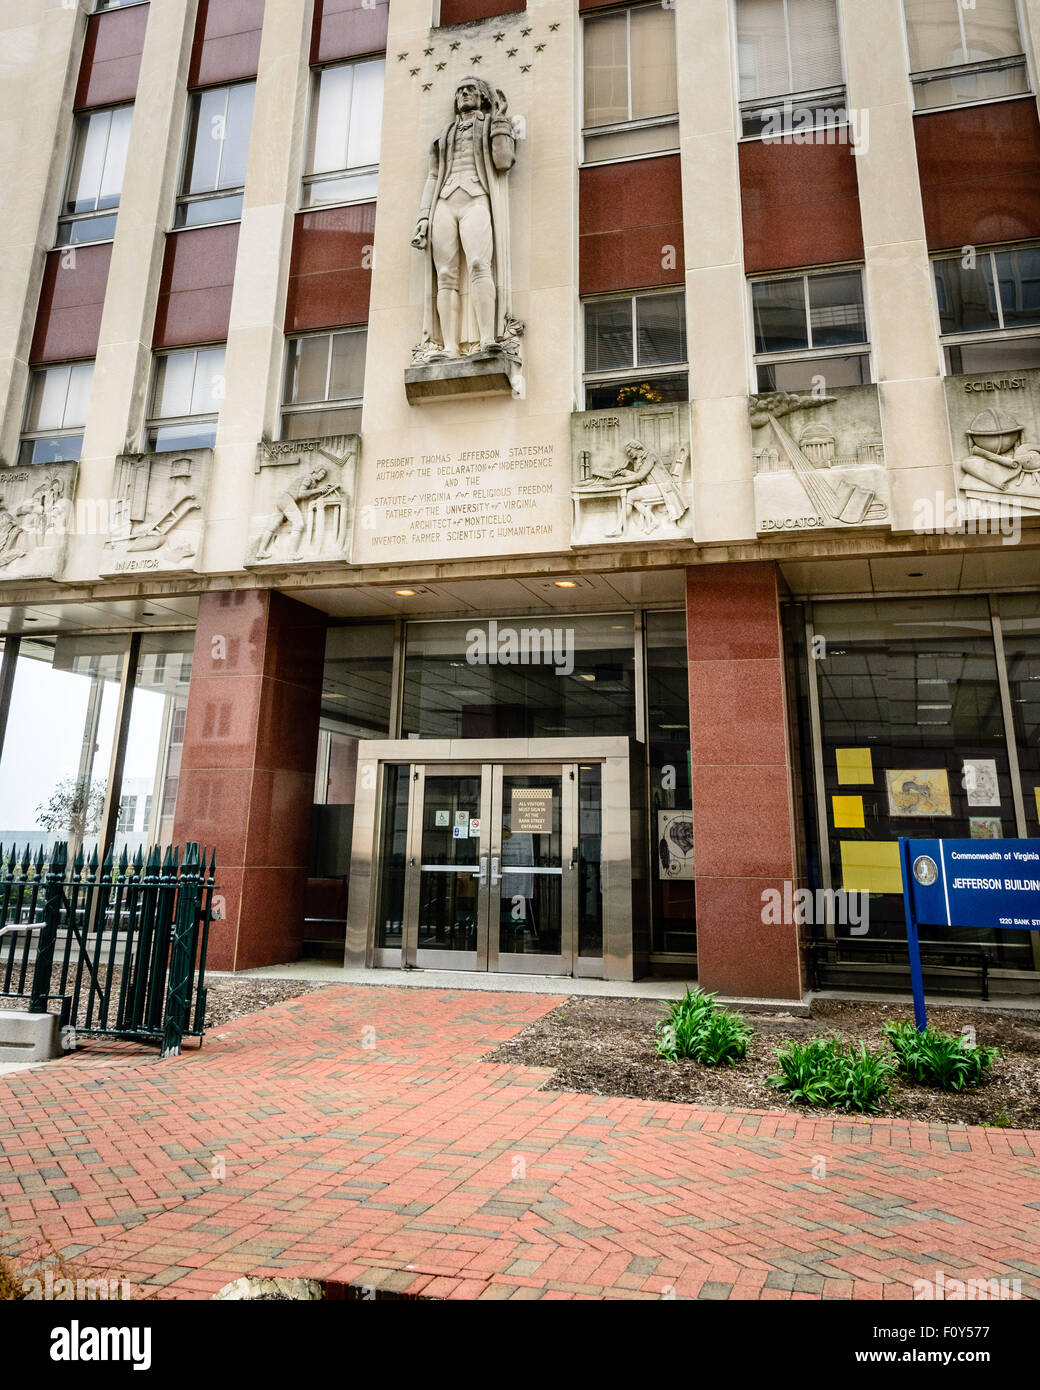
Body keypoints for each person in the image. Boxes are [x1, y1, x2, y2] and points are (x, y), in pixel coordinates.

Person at [412, 79, 517, 360]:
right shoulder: (444, 135)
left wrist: (501, 121)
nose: (463, 94)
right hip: (445, 202)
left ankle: (486, 338)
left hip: (476, 197)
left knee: (479, 264)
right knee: (445, 275)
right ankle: (449, 346)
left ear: (482, 96)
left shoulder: (489, 124)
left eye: (470, 90)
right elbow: (433, 176)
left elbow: (504, 161)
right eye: (459, 91)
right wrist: (424, 217)